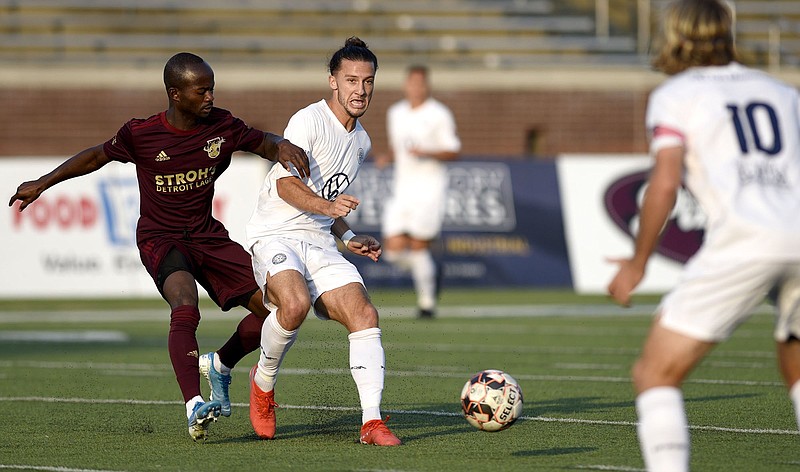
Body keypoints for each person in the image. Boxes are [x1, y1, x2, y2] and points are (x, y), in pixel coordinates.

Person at [8, 52, 310, 442]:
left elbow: (261, 142)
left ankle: (221, 362)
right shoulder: (141, 133)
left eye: (212, 89)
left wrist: (281, 144)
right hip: (161, 238)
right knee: (185, 303)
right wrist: (43, 183)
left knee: (278, 310)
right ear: (175, 93)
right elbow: (96, 156)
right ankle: (194, 405)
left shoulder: (222, 125)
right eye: (201, 91)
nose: (209, 97)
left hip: (207, 236)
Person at [606, 1, 800, 470]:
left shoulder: (678, 94)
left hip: (747, 238)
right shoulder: (782, 91)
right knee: (794, 359)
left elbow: (665, 184)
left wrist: (637, 263)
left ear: (673, 35)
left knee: (655, 373)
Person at [245, 37, 401, 446]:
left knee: (365, 315)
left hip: (319, 240)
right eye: (351, 80)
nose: (360, 90)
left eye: (368, 82)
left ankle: (371, 422)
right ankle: (263, 385)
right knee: (292, 306)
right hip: (275, 233)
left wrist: (348, 235)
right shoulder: (308, 121)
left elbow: (326, 205)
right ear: (333, 81)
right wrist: (327, 207)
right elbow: (285, 186)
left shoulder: (361, 142)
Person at [376, 65, 461, 319]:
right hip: (402, 189)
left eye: (420, 83)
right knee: (391, 250)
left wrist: (427, 152)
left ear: (427, 86)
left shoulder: (439, 114)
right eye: (412, 83)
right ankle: (431, 272)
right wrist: (388, 157)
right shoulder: (396, 112)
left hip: (429, 190)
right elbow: (398, 146)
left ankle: (426, 303)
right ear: (406, 85)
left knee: (419, 247)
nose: (416, 88)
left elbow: (453, 150)